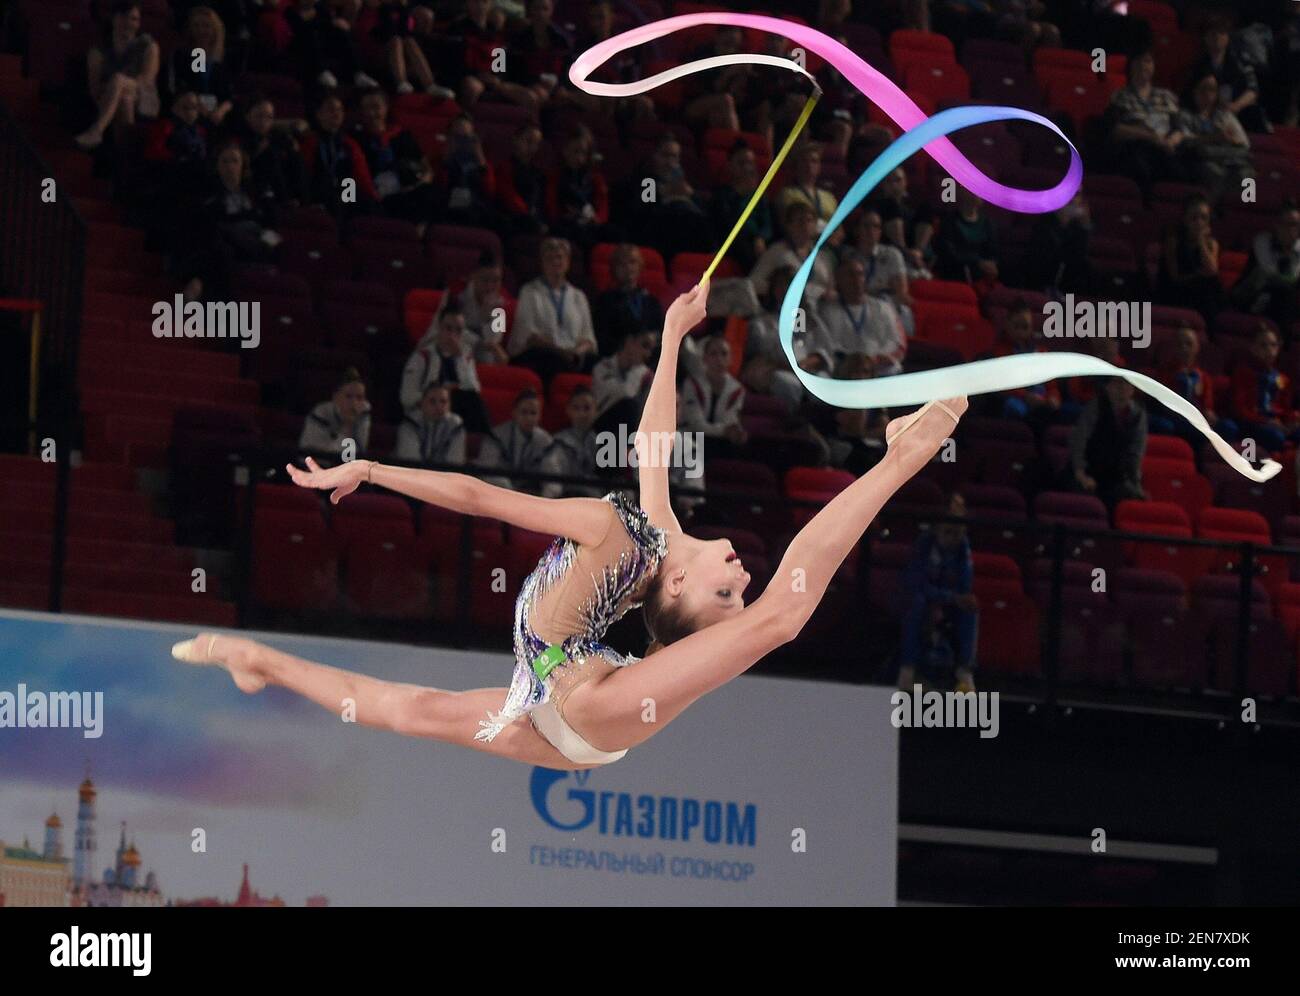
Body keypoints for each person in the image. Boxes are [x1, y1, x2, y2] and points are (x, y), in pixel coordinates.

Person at [174, 283, 968, 769]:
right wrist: (670, 339)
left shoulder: (615, 539)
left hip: (591, 711)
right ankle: (255, 658)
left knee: (780, 619)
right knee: (408, 711)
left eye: (726, 592)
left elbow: (480, 497)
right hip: (566, 697)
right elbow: (654, 448)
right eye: (739, 589)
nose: (742, 574)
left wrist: (373, 469)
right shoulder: (654, 545)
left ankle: (899, 458)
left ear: (681, 584)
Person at [898, 492, 978, 694]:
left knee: (970, 608)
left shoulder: (963, 548)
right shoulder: (924, 544)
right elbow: (916, 584)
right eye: (948, 532)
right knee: (917, 602)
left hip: (948, 601)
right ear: (938, 527)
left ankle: (964, 673)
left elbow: (964, 585)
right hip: (920, 599)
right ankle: (907, 671)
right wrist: (944, 598)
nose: (953, 538)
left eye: (958, 533)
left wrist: (955, 599)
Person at [509, 237, 598, 384]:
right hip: (543, 354)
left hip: (573, 356)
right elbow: (530, 337)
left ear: (568, 262)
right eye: (550, 258)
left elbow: (588, 338)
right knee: (551, 360)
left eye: (560, 257)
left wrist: (576, 353)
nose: (556, 262)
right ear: (542, 263)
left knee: (596, 363)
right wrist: (561, 352)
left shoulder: (578, 296)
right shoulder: (530, 291)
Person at [75, 1, 161, 150]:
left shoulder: (148, 46)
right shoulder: (99, 51)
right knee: (125, 100)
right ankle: (126, 155)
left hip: (144, 99)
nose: (128, 23)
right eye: (124, 17)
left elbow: (146, 81)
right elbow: (95, 90)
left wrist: (119, 83)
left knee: (118, 80)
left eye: (134, 19)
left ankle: (97, 130)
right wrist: (116, 90)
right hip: (106, 99)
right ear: (114, 18)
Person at [400, 302, 491, 433]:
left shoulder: (465, 355)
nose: (452, 335)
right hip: (426, 410)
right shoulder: (422, 356)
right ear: (439, 328)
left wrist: (459, 359)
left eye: (458, 330)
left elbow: (474, 389)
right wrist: (436, 394)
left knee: (472, 400)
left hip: (455, 410)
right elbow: (406, 397)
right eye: (448, 328)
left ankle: (485, 441)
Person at [352, 87, 438, 227]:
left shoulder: (402, 135)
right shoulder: (354, 139)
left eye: (376, 107)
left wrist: (417, 185)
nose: (372, 113)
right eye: (366, 108)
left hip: (406, 191)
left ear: (386, 108)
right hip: (373, 195)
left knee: (431, 194)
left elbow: (427, 170)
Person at [1106, 49, 1186, 195]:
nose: (1143, 65)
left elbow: (1179, 129)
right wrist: (1150, 137)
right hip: (1137, 147)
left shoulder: (1166, 96)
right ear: (1131, 67)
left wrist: (1170, 141)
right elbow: (1116, 130)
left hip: (1166, 147)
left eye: (1147, 61)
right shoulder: (1120, 96)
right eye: (1138, 62)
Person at [818, 255, 907, 376]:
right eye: (850, 275)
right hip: (842, 366)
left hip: (875, 364)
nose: (856, 279)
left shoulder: (883, 307)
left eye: (860, 274)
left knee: (893, 368)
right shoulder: (827, 311)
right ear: (838, 280)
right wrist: (850, 362)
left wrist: (872, 359)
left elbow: (895, 341)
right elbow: (825, 345)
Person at [1066, 377, 1148, 507]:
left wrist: (1136, 484)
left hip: (1117, 476)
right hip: (1089, 469)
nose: (1122, 388)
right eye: (1117, 383)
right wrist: (1080, 473)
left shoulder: (1137, 414)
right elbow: (1079, 441)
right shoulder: (1095, 408)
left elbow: (1136, 452)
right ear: (1107, 387)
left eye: (1127, 384)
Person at [1174, 73, 1252, 205]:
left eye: (1212, 90)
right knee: (1215, 173)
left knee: (1247, 176)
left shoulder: (1225, 116)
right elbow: (1185, 140)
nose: (1208, 94)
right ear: (1194, 91)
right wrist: (1213, 139)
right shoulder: (1184, 115)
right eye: (1203, 89)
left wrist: (1229, 140)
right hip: (1201, 161)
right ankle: (1213, 210)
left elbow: (1244, 143)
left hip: (1229, 159)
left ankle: (1245, 210)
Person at [1153, 326, 1237, 447]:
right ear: (1174, 348)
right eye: (1180, 344)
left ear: (1197, 347)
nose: (1184, 348)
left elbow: (1207, 407)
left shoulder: (1203, 376)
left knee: (1228, 426)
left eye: (1189, 344)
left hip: (1199, 420)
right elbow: (1163, 404)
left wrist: (1209, 414)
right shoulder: (1165, 372)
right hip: (1176, 418)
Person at [299, 91, 379, 215]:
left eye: (340, 110)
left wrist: (374, 198)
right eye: (331, 109)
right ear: (319, 114)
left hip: (347, 193)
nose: (336, 113)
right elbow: (305, 175)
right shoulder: (310, 142)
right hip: (320, 194)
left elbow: (362, 176)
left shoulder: (349, 144)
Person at [750, 201, 836, 307]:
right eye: (799, 220)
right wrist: (781, 289)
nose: (805, 225)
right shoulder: (777, 251)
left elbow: (831, 288)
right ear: (788, 226)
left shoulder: (823, 256)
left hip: (821, 310)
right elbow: (754, 282)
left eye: (809, 220)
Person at [1230, 324, 1300, 453]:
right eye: (1263, 345)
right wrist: (1266, 421)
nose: (1269, 350)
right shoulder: (1243, 374)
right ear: (1253, 347)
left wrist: (1292, 420)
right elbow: (1240, 410)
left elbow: (1285, 408)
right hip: (1253, 423)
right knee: (1275, 437)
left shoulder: (1281, 378)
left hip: (1276, 423)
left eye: (1273, 345)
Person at [1157, 193, 1226, 321]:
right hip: (1176, 289)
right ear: (1185, 219)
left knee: (1211, 287)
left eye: (1203, 218)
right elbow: (1174, 276)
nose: (1199, 222)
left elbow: (1212, 271)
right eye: (1194, 218)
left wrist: (1201, 241)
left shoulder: (1211, 243)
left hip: (1201, 291)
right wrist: (1198, 275)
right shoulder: (1173, 240)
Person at [1232, 203, 1300, 330]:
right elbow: (1271, 275)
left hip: (1283, 303)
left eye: (1295, 225)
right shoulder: (1263, 243)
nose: (1291, 230)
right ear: (1277, 225)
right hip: (1255, 295)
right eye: (1286, 224)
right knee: (1282, 292)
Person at [283, 0, 378, 90]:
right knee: (310, 35)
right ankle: (321, 72)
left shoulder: (320, 8)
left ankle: (358, 74)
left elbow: (327, 23)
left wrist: (335, 23)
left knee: (341, 32)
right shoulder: (290, 10)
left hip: (323, 40)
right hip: (302, 43)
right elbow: (299, 28)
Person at [710, 140, 775, 271]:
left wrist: (760, 237)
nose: (747, 168)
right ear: (730, 166)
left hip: (758, 242)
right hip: (735, 242)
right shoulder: (721, 194)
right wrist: (739, 195)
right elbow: (727, 224)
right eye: (741, 163)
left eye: (750, 163)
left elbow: (767, 224)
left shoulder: (759, 196)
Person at [591, 244, 665, 357]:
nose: (628, 267)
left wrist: (652, 338)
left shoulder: (651, 301)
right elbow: (603, 339)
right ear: (613, 268)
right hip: (621, 358)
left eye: (632, 262)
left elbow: (661, 331)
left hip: (652, 356)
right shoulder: (605, 301)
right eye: (622, 263)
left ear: (640, 266)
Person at [166, 5, 234, 127]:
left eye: (206, 26)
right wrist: (202, 108)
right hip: (191, 108)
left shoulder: (222, 59)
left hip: (216, 112)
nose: (201, 30)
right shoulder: (182, 56)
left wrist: (220, 111)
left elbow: (228, 95)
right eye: (197, 26)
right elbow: (181, 87)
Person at [475, 389, 554, 492]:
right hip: (499, 492)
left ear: (540, 416)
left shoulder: (546, 441)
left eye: (533, 413)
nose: (529, 418)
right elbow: (486, 471)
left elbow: (551, 475)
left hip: (531, 493)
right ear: (514, 413)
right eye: (524, 412)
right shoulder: (496, 436)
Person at [681, 335, 748, 455]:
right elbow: (696, 425)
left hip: (717, 441)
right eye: (713, 354)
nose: (719, 359)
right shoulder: (692, 384)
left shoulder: (737, 389)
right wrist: (725, 431)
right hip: (691, 436)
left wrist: (735, 431)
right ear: (704, 358)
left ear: (730, 359)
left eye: (724, 354)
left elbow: (729, 420)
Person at [541, 386, 604, 498]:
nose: (582, 414)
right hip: (567, 497)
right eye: (576, 408)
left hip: (597, 497)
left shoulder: (603, 441)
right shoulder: (559, 443)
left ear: (596, 411)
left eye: (587, 408)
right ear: (568, 410)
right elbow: (552, 482)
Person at [933, 186, 999, 289]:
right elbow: (948, 253)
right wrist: (976, 262)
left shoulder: (987, 223)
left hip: (982, 276)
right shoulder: (949, 221)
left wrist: (991, 264)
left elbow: (992, 252)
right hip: (956, 275)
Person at [299, 367, 372, 457]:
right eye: (348, 396)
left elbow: (358, 453)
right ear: (336, 397)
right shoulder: (320, 413)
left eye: (359, 398)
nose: (354, 403)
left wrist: (348, 426)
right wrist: (346, 427)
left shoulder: (364, 413)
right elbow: (317, 451)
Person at [592, 329, 655, 431]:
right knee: (630, 406)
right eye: (644, 346)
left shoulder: (647, 376)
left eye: (650, 350)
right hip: (601, 429)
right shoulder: (602, 368)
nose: (647, 354)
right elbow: (622, 395)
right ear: (629, 341)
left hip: (633, 431)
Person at [393, 383, 466, 467]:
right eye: (432, 401)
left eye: (443, 401)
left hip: (444, 474)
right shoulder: (410, 423)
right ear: (422, 403)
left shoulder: (456, 426)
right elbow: (410, 462)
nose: (439, 407)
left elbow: (454, 463)